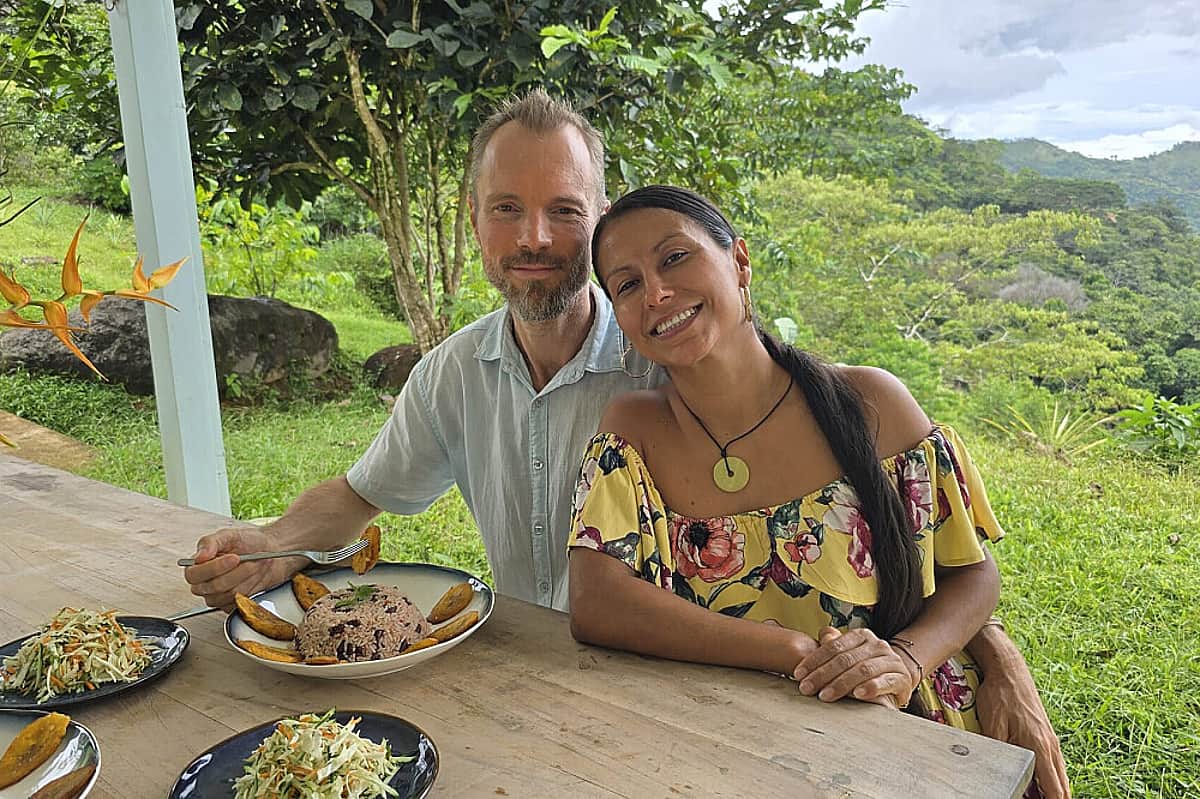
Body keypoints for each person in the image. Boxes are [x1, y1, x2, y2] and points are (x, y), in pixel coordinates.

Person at [182, 89, 1068, 797]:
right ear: (475, 220)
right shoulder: (460, 373)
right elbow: (359, 494)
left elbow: (877, 498)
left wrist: (994, 657)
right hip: (547, 690)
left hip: (718, 706)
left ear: (600, 216)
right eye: (507, 208)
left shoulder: (673, 359)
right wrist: (273, 543)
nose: (534, 237)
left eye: (563, 210)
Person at [570, 184, 1068, 798]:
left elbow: (972, 573)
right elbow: (597, 602)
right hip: (742, 750)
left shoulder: (869, 402)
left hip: (917, 728)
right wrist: (791, 651)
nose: (656, 294)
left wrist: (905, 660)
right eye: (627, 285)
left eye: (675, 258)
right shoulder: (634, 430)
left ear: (740, 262)